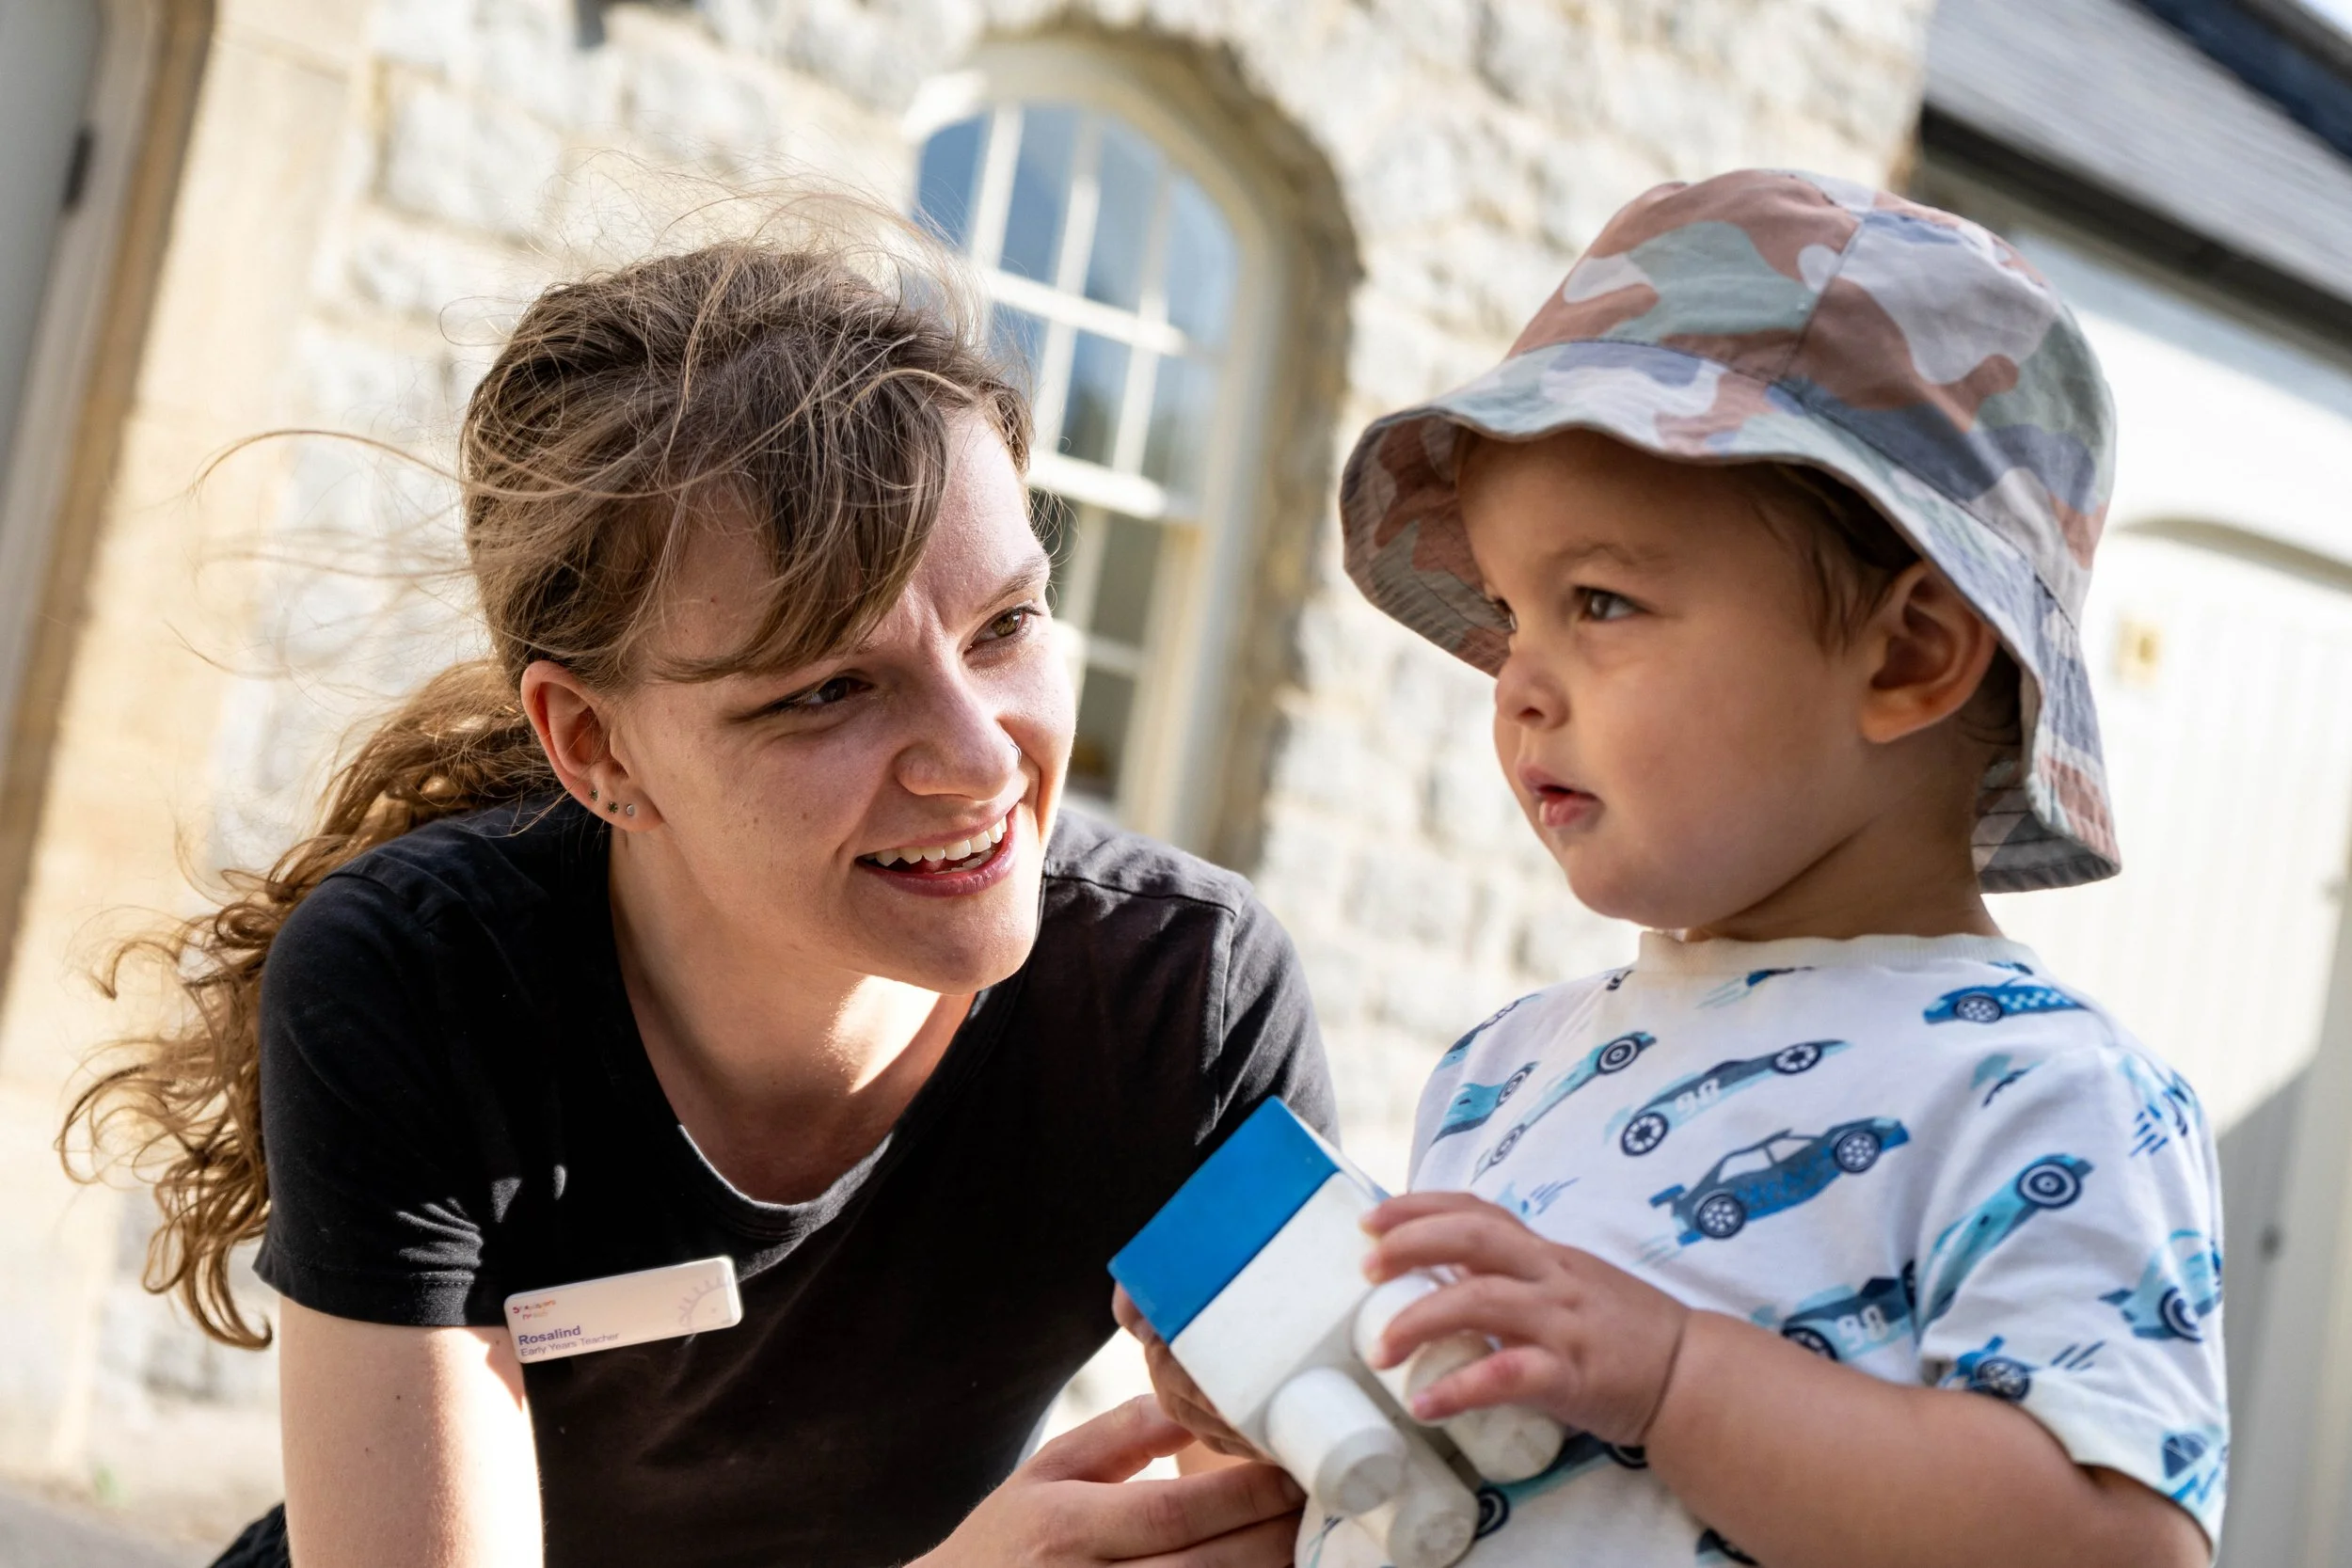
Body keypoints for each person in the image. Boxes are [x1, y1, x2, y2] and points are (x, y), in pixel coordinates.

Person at [68, 222, 1327, 1568]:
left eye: (1006, 625)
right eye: (827, 690)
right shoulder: (417, 981)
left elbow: (1313, 1514)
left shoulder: (1183, 1000)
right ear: (597, 748)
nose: (980, 760)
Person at [1129, 169, 2227, 1566]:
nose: (1516, 683)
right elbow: (1485, 1490)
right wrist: (1294, 1403)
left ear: (1909, 655)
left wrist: (1671, 1375)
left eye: (1599, 602)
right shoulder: (1502, 1069)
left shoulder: (2040, 1093)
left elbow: (2118, 1547)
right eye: (1512, 612)